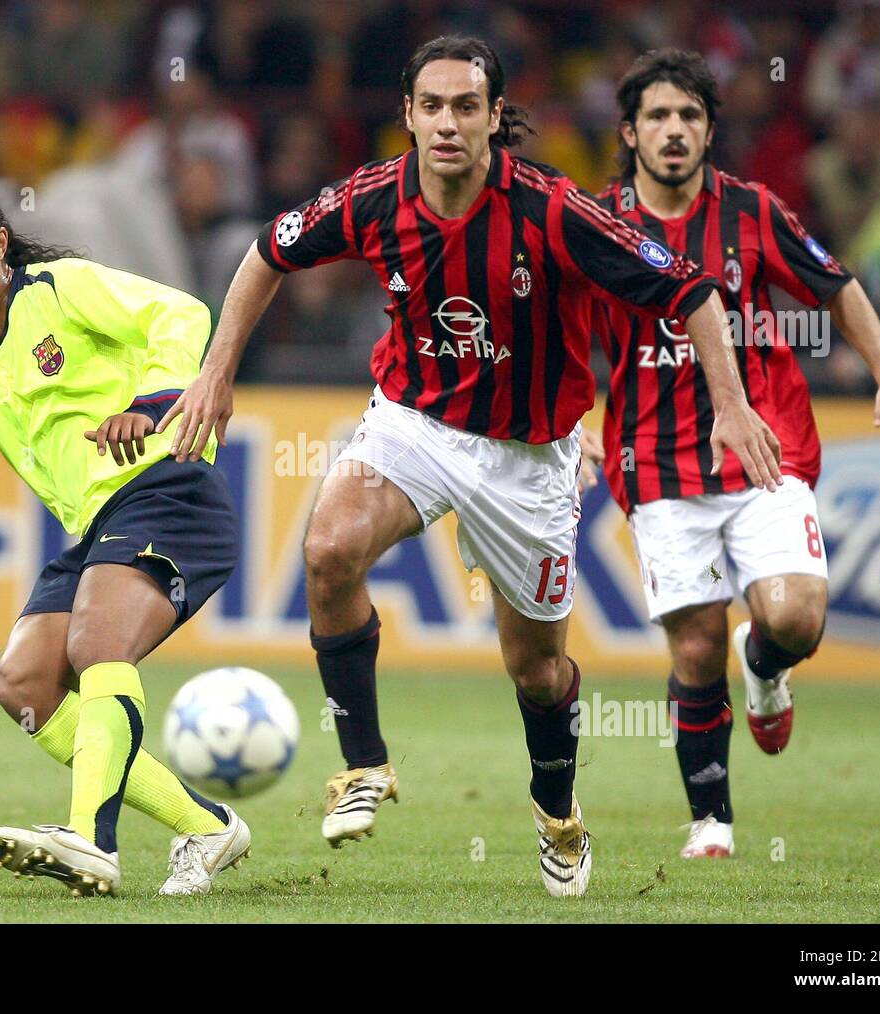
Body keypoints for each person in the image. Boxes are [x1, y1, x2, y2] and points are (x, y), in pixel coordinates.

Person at [158, 36, 780, 897]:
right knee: (329, 549)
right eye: (431, 107)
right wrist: (217, 371)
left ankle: (557, 810)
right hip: (415, 422)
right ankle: (365, 766)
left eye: (465, 107)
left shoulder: (553, 210)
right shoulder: (376, 197)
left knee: (536, 670)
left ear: (495, 118)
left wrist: (731, 405)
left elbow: (693, 290)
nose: (447, 123)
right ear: (408, 115)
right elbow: (268, 251)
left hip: (528, 458)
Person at [589, 49, 880, 859]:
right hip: (655, 462)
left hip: (765, 448)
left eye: (691, 117)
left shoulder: (752, 212)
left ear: (710, 130)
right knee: (696, 645)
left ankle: (767, 666)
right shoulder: (594, 222)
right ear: (630, 131)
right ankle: (712, 819)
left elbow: (836, 287)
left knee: (794, 616)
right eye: (659, 117)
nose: (675, 131)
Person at [0, 179, 249, 897]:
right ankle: (206, 826)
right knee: (25, 685)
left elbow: (180, 314)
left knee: (98, 643)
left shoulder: (61, 288)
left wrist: (152, 402)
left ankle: (90, 840)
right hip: (96, 526)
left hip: (165, 488)